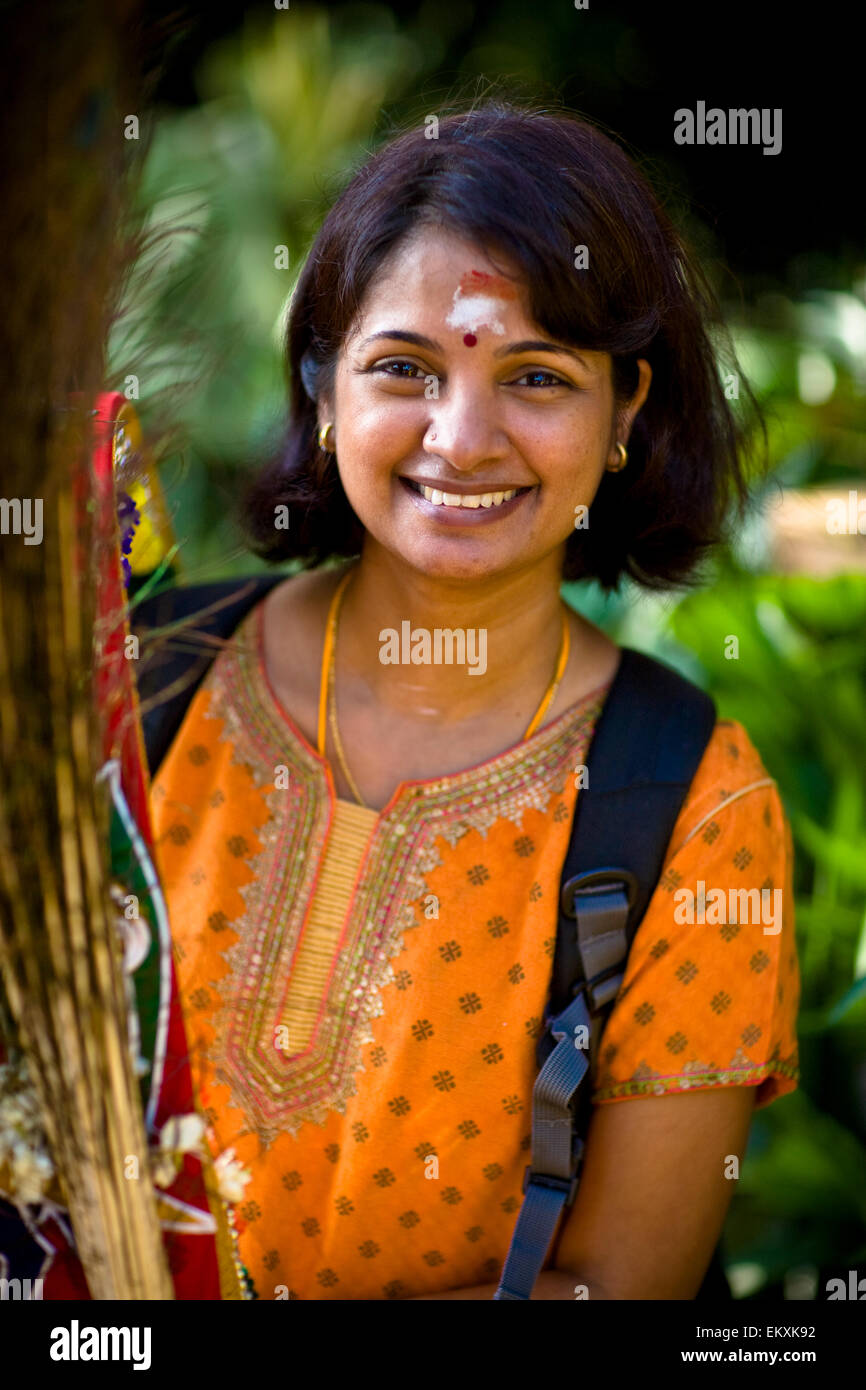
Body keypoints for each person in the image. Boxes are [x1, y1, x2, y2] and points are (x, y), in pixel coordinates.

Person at [147, 98, 800, 1300]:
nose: (461, 436)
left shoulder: (690, 805)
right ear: (325, 387)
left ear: (624, 417)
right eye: (404, 367)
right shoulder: (142, 680)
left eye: (536, 375)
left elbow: (620, 1289)